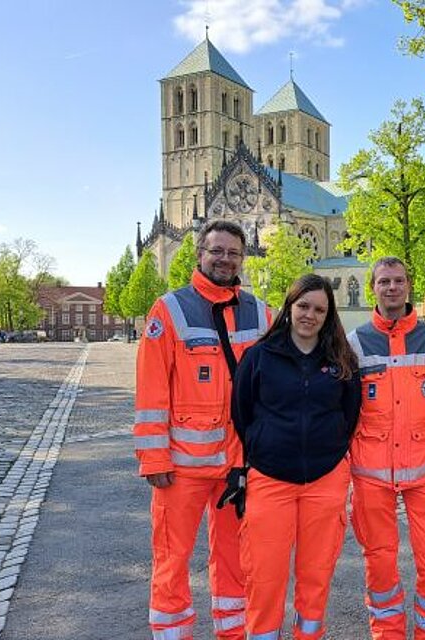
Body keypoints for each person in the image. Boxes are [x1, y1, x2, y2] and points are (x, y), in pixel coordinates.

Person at [133, 219, 272, 640]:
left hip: (237, 466)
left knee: (234, 561)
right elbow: (151, 390)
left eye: (233, 253)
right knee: (172, 560)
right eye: (217, 251)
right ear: (199, 254)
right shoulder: (170, 309)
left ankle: (232, 633)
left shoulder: (261, 312)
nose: (225, 259)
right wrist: (154, 457)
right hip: (181, 466)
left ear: (242, 259)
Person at [231, 274, 362, 640]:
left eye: (319, 309)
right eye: (303, 306)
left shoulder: (340, 359)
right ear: (289, 308)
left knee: (316, 575)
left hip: (325, 481)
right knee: (264, 576)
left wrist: (330, 448)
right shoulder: (259, 356)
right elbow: (242, 413)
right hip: (271, 480)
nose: (310, 315)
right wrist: (264, 446)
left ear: (328, 314)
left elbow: (350, 413)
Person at [347, 257, 425, 640]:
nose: (391, 287)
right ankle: (387, 633)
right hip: (371, 473)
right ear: (372, 288)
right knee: (379, 564)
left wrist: (419, 441)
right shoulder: (355, 343)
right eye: (383, 282)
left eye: (398, 281)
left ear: (409, 285)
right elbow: (348, 408)